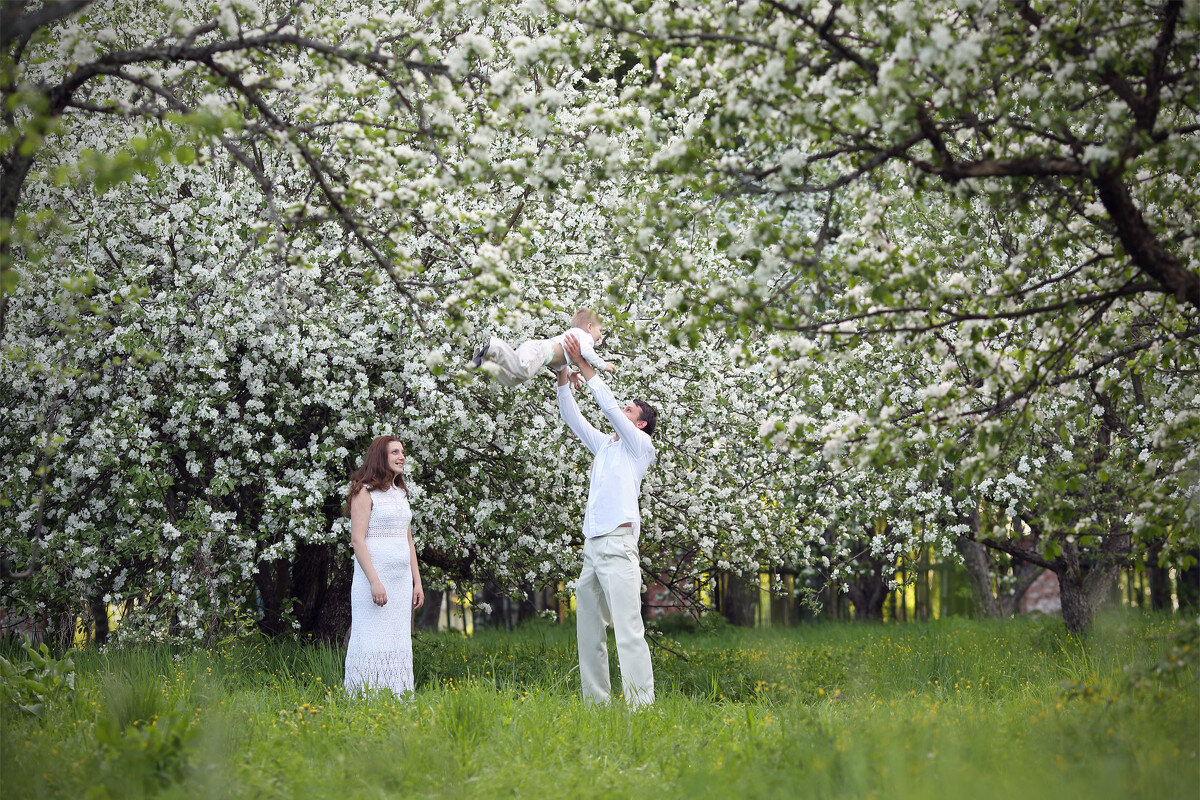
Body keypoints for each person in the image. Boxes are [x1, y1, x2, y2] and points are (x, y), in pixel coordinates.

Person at [556, 332, 658, 708]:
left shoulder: (639, 448)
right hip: (593, 547)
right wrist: (563, 377)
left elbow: (610, 408)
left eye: (632, 410)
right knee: (588, 633)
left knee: (629, 630)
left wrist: (585, 365)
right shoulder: (606, 446)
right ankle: (596, 706)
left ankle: (641, 706)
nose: (625, 411)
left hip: (618, 545)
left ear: (641, 425)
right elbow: (573, 418)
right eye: (628, 408)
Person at [343, 436, 424, 696]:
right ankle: (364, 698)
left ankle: (397, 696)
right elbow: (357, 540)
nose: (402, 456)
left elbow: (409, 542)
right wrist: (375, 581)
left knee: (397, 640)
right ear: (381, 457)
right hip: (374, 580)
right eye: (395, 452)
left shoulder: (401, 493)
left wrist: (417, 581)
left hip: (401, 584)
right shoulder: (363, 491)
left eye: (403, 452)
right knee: (371, 640)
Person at [470, 308, 616, 387]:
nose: (600, 336)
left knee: (512, 380)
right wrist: (603, 365)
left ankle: (484, 360)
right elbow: (587, 352)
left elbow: (563, 359)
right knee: (524, 371)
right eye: (600, 330)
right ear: (589, 327)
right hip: (539, 350)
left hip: (537, 350)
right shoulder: (585, 337)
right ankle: (494, 347)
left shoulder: (575, 340)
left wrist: (570, 373)